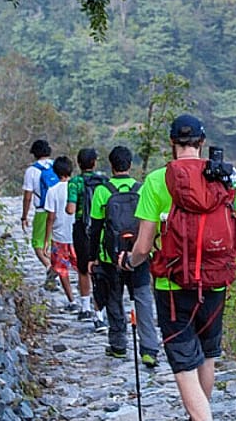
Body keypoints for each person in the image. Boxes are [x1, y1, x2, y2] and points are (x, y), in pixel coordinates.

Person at [120, 114, 236, 421]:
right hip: (215, 283)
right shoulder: (224, 177)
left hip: (172, 286)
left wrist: (129, 262)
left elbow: (144, 246)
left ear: (171, 143)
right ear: (202, 141)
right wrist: (230, 259)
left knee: (183, 360)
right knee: (207, 354)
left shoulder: (155, 180)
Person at [86, 145, 161, 366]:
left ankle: (118, 346)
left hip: (111, 258)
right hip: (138, 254)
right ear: (130, 165)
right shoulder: (142, 189)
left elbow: (95, 229)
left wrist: (93, 257)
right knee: (143, 300)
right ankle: (149, 350)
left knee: (114, 301)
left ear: (111, 165)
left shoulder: (103, 191)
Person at [66, 148, 107, 328]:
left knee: (83, 268)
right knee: (99, 270)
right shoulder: (103, 181)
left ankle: (85, 307)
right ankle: (100, 313)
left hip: (82, 229)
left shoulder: (75, 182)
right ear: (94, 163)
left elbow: (71, 209)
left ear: (79, 163)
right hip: (102, 228)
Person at [20, 139, 57, 289]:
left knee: (38, 244)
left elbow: (28, 196)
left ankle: (49, 267)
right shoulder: (57, 165)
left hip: (42, 211)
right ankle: (56, 267)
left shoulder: (32, 171)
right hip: (59, 211)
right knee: (54, 242)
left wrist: (24, 216)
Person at [44, 155, 79, 311]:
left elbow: (51, 217)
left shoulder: (52, 191)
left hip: (60, 236)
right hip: (77, 235)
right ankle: (87, 298)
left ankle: (72, 300)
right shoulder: (78, 187)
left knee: (62, 269)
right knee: (83, 269)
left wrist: (47, 239)